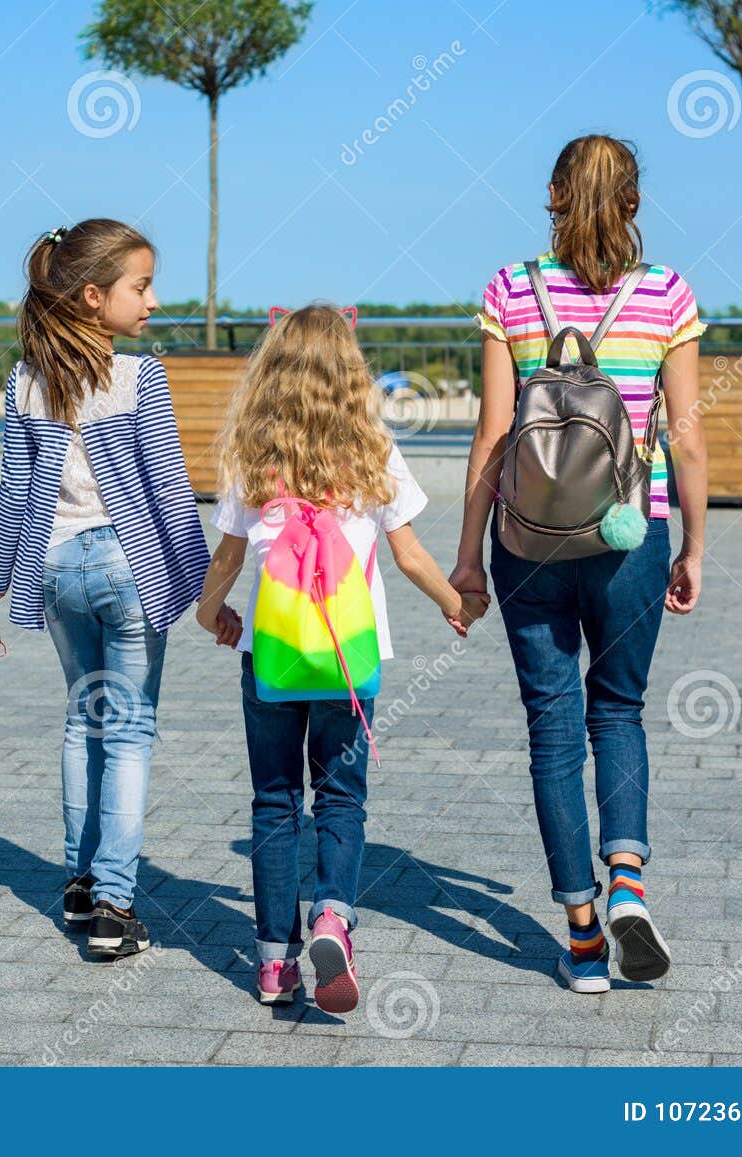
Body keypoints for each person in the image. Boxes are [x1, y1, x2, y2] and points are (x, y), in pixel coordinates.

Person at [449, 135, 709, 994]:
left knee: (552, 727)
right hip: (633, 532)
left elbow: (492, 436)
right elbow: (688, 436)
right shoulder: (667, 293)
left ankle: (586, 937)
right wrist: (695, 545)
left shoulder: (510, 290)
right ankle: (629, 882)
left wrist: (467, 561)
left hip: (526, 539)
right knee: (620, 710)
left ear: (552, 195)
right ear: (633, 202)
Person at [196, 304, 486, 1011]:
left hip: (272, 657)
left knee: (274, 800)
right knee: (340, 797)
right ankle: (331, 915)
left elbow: (229, 557)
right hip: (348, 661)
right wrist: (455, 601)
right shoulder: (372, 451)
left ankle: (272, 963)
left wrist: (210, 614)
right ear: (352, 374)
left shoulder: (252, 453)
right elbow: (409, 553)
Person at [0, 219, 210, 960]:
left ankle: (76, 881)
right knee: (129, 732)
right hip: (128, 569)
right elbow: (167, 485)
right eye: (141, 286)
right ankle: (113, 904)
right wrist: (205, 583)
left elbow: (15, 492)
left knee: (82, 722)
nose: (155, 300)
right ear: (95, 296)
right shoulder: (140, 376)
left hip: (55, 570)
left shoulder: (23, 380)